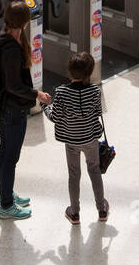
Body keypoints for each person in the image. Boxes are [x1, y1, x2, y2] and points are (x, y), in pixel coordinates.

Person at [0, 0, 51, 219]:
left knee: (5, 154)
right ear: (23, 23)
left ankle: (7, 193)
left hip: (3, 106)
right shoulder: (11, 49)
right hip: (11, 110)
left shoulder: (0, 40)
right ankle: (6, 205)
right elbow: (13, 85)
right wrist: (37, 94)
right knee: (9, 157)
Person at [43, 51, 109, 223]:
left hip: (71, 141)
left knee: (74, 174)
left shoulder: (62, 92)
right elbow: (98, 113)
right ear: (90, 72)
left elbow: (55, 117)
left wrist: (46, 106)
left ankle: (74, 212)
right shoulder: (95, 91)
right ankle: (102, 209)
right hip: (90, 140)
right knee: (94, 171)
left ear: (69, 71)